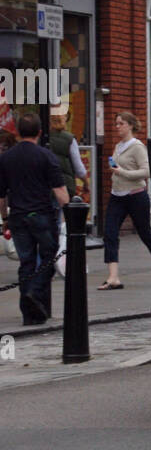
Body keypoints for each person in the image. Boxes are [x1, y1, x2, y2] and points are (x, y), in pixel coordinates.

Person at [0, 112, 69, 323]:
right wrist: (71, 217)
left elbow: (1, 196)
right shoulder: (46, 156)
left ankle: (28, 313)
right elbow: (60, 193)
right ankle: (35, 293)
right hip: (42, 215)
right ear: (40, 132)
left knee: (26, 262)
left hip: (18, 217)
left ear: (18, 132)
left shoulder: (6, 158)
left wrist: (4, 219)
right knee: (48, 259)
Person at [99, 111, 151, 289]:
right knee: (110, 234)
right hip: (117, 195)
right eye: (116, 124)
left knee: (145, 233)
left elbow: (147, 171)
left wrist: (123, 172)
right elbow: (116, 165)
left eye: (121, 123)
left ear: (130, 125)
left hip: (136, 195)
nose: (117, 127)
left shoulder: (137, 147)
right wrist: (113, 166)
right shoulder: (118, 146)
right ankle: (113, 277)